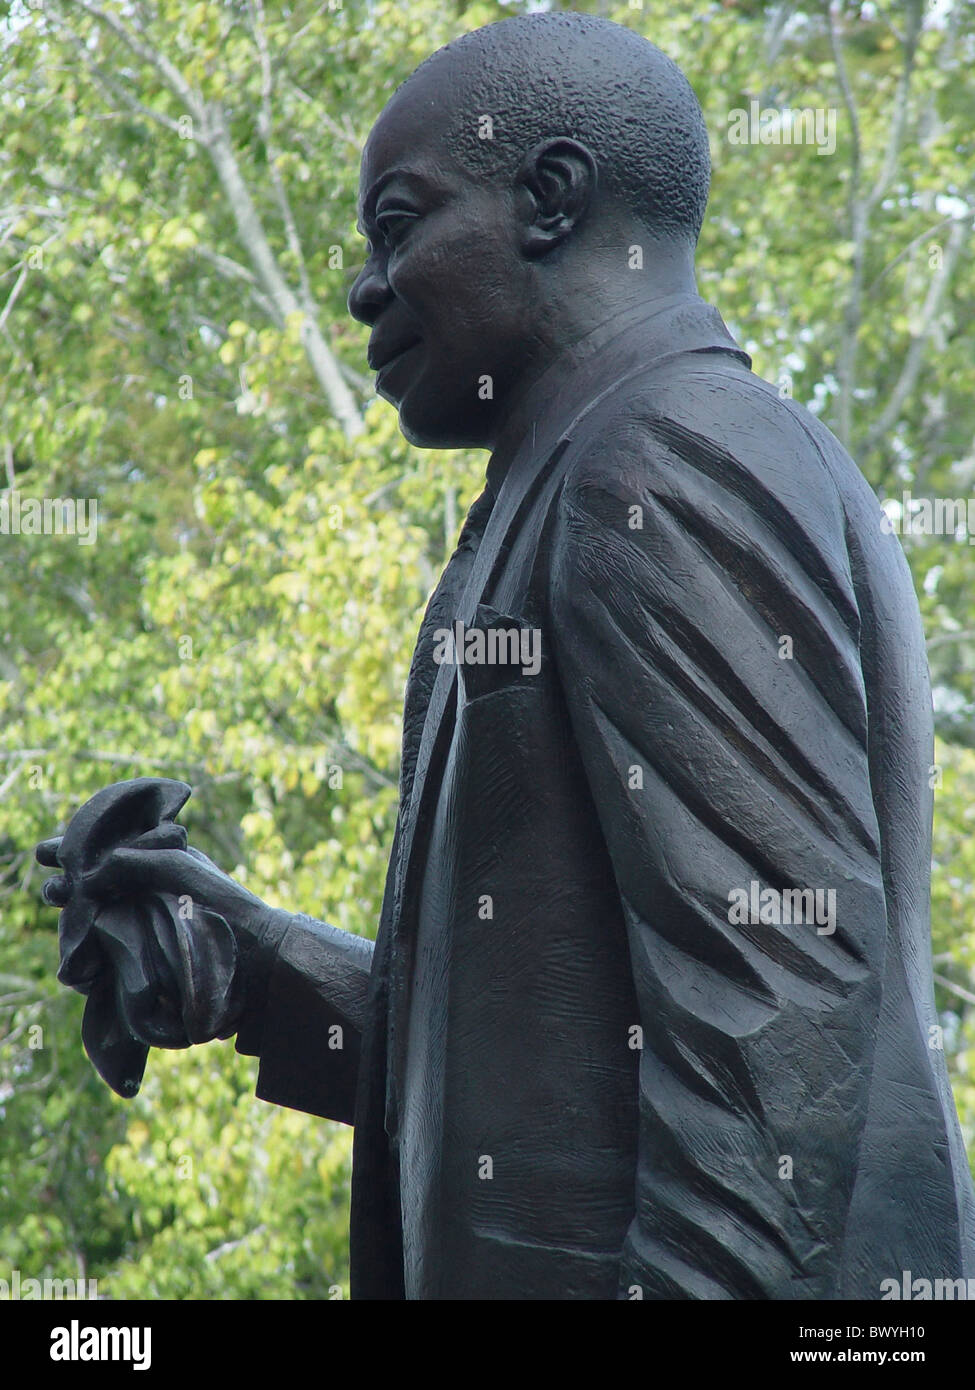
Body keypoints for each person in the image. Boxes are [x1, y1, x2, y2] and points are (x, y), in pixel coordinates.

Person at [39, 12, 975, 1300]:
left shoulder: (661, 460)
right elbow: (555, 1088)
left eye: (400, 224)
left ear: (551, 199)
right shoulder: (584, 479)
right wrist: (255, 963)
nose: (366, 289)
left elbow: (779, 1064)